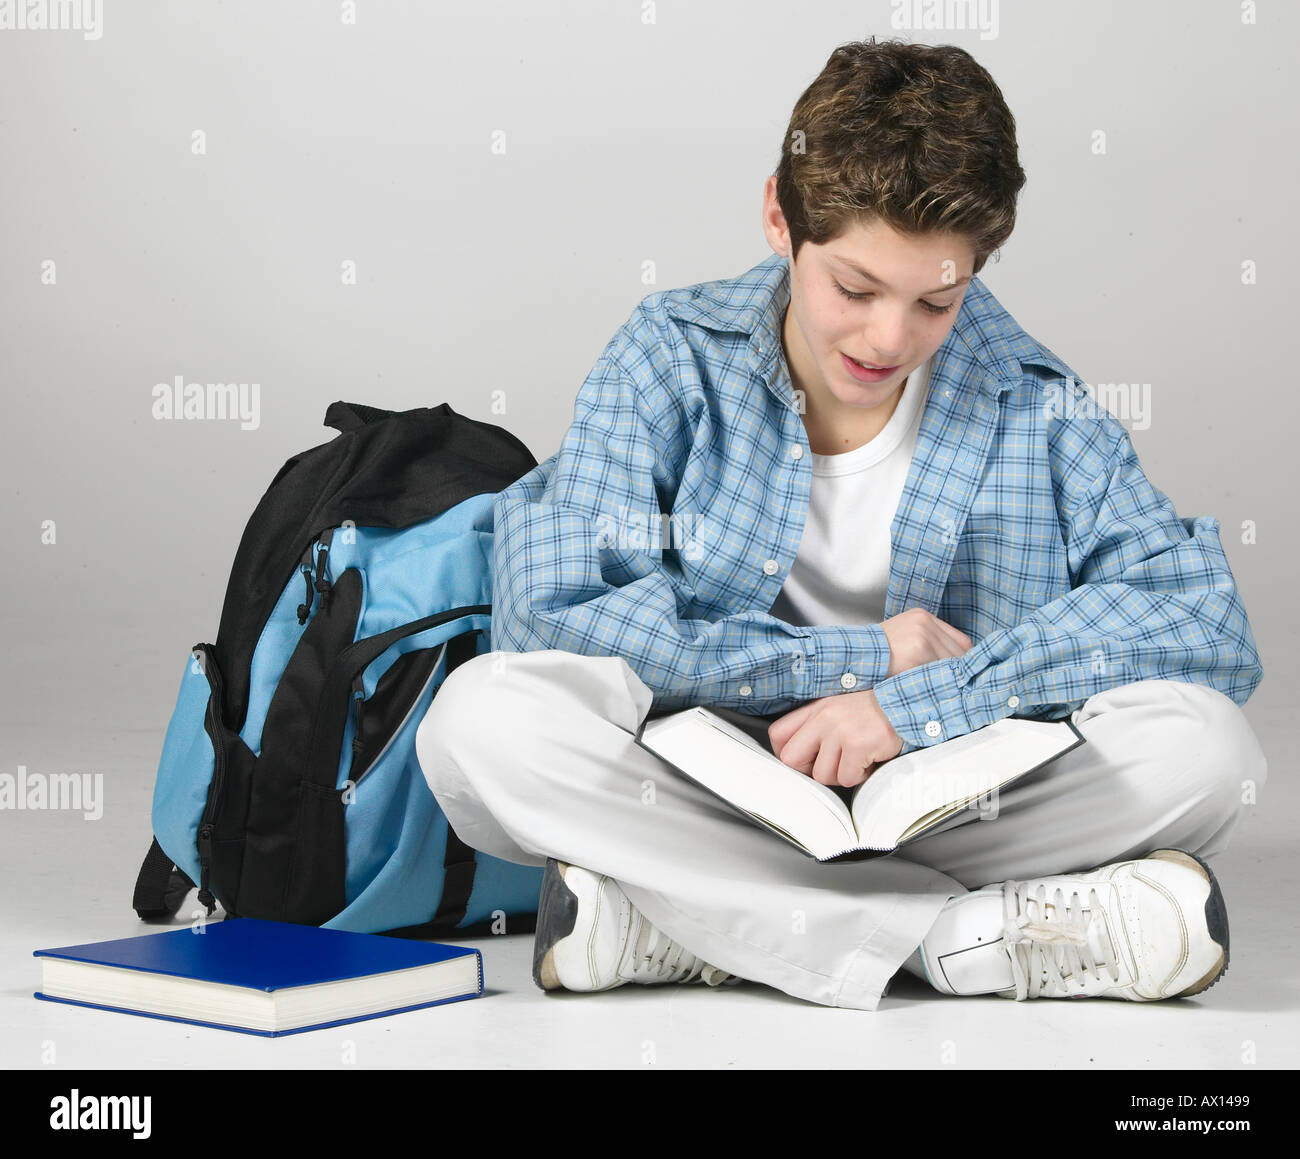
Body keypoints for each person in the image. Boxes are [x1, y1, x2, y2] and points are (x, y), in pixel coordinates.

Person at [414, 38, 1267, 1009]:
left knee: (1205, 748)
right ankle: (957, 939)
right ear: (781, 217)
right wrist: (855, 661)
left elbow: (1199, 620)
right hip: (717, 782)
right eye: (854, 289)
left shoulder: (1030, 396)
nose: (888, 339)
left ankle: (694, 918)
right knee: (479, 724)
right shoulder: (669, 354)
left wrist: (914, 705)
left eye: (935, 300)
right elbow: (556, 612)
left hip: (946, 793)